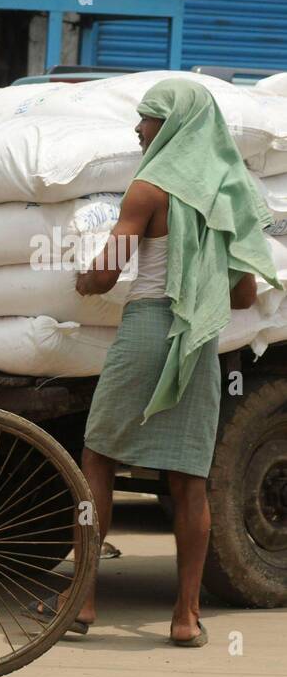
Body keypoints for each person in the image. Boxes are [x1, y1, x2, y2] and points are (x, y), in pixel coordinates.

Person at [57, 78, 279, 647]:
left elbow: (107, 272)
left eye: (147, 118)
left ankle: (82, 600)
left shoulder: (147, 189)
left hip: (147, 330)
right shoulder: (229, 195)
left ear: (173, 125)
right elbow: (243, 297)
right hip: (198, 341)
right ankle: (185, 616)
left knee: (99, 460)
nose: (138, 128)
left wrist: (84, 280)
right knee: (189, 481)